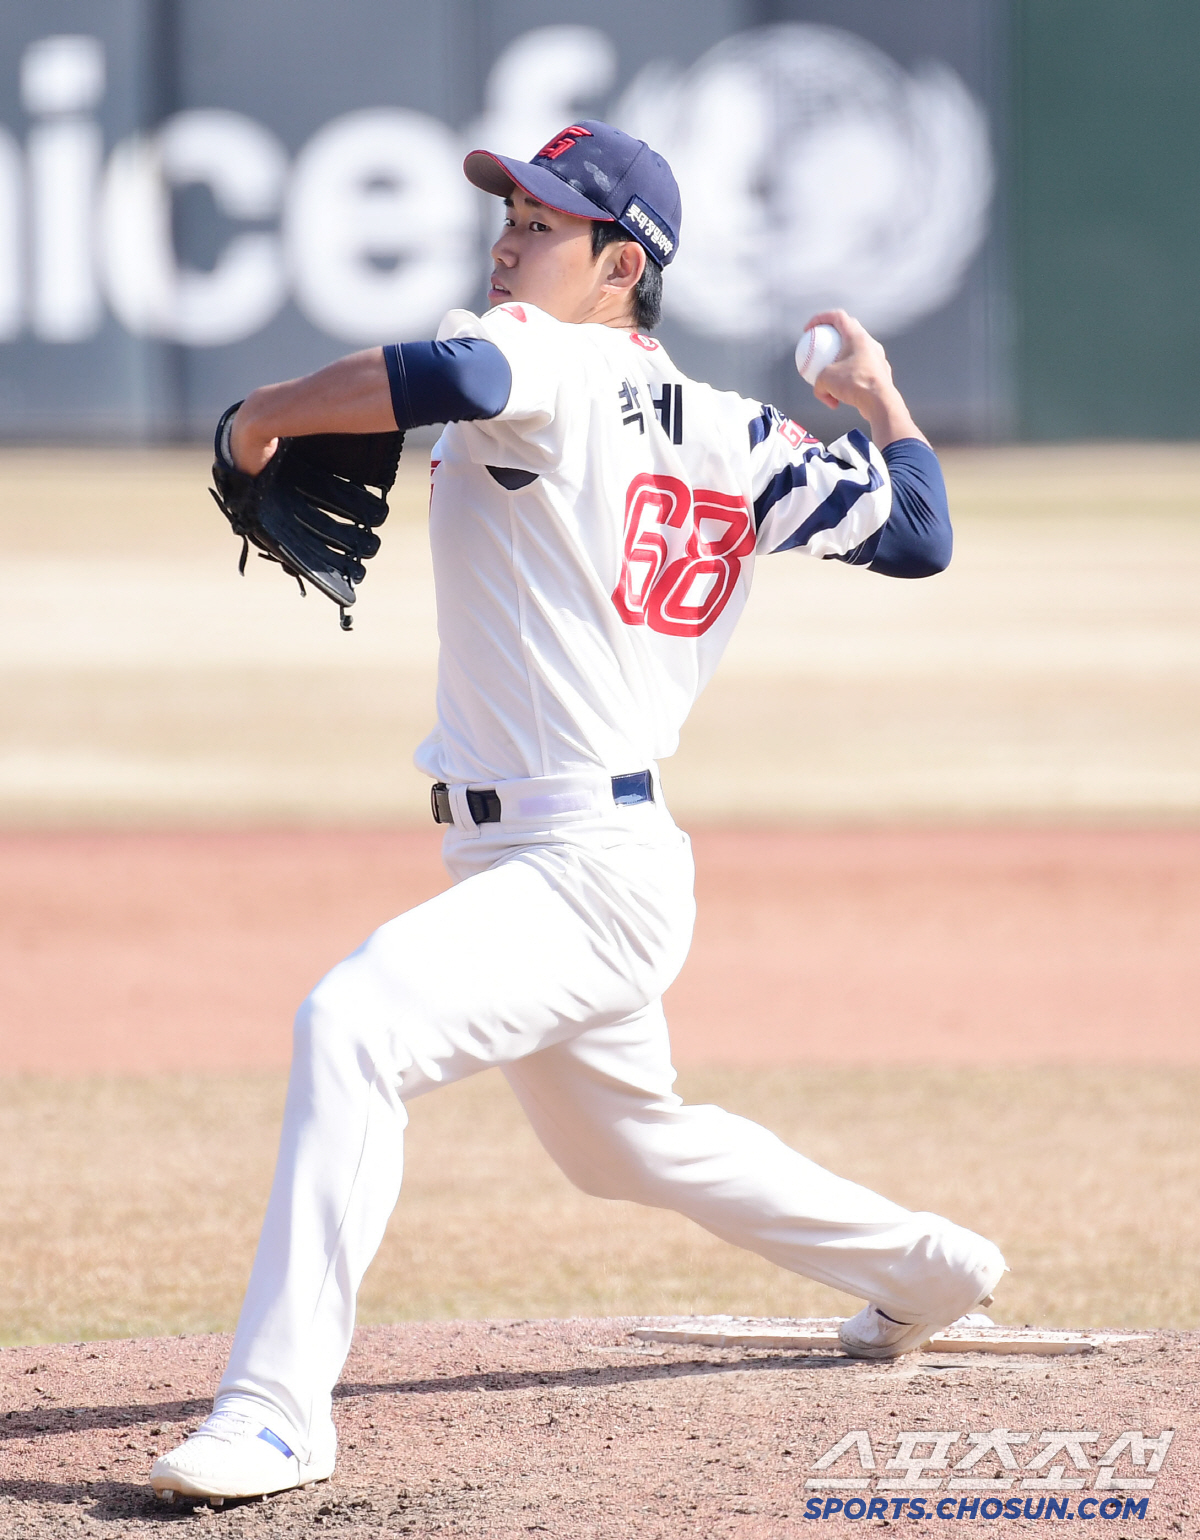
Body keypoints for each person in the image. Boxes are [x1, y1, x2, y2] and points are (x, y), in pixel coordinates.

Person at [150, 120, 1004, 1505]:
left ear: (621, 264)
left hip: (576, 868)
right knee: (625, 1145)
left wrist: (260, 417)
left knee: (352, 1025)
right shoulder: (742, 432)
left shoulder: (535, 357)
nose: (507, 237)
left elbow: (458, 369)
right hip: (588, 854)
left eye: (543, 223)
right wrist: (880, 401)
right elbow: (919, 534)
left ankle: (274, 1414)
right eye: (509, 210)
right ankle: (923, 1267)